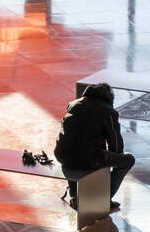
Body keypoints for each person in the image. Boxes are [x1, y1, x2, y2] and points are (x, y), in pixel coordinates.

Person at [53, 83, 135, 214]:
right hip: (89, 158)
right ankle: (102, 200)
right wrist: (114, 157)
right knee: (128, 160)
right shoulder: (108, 111)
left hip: (62, 155)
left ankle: (75, 197)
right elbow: (116, 145)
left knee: (72, 148)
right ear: (110, 98)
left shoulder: (73, 104)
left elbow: (70, 136)